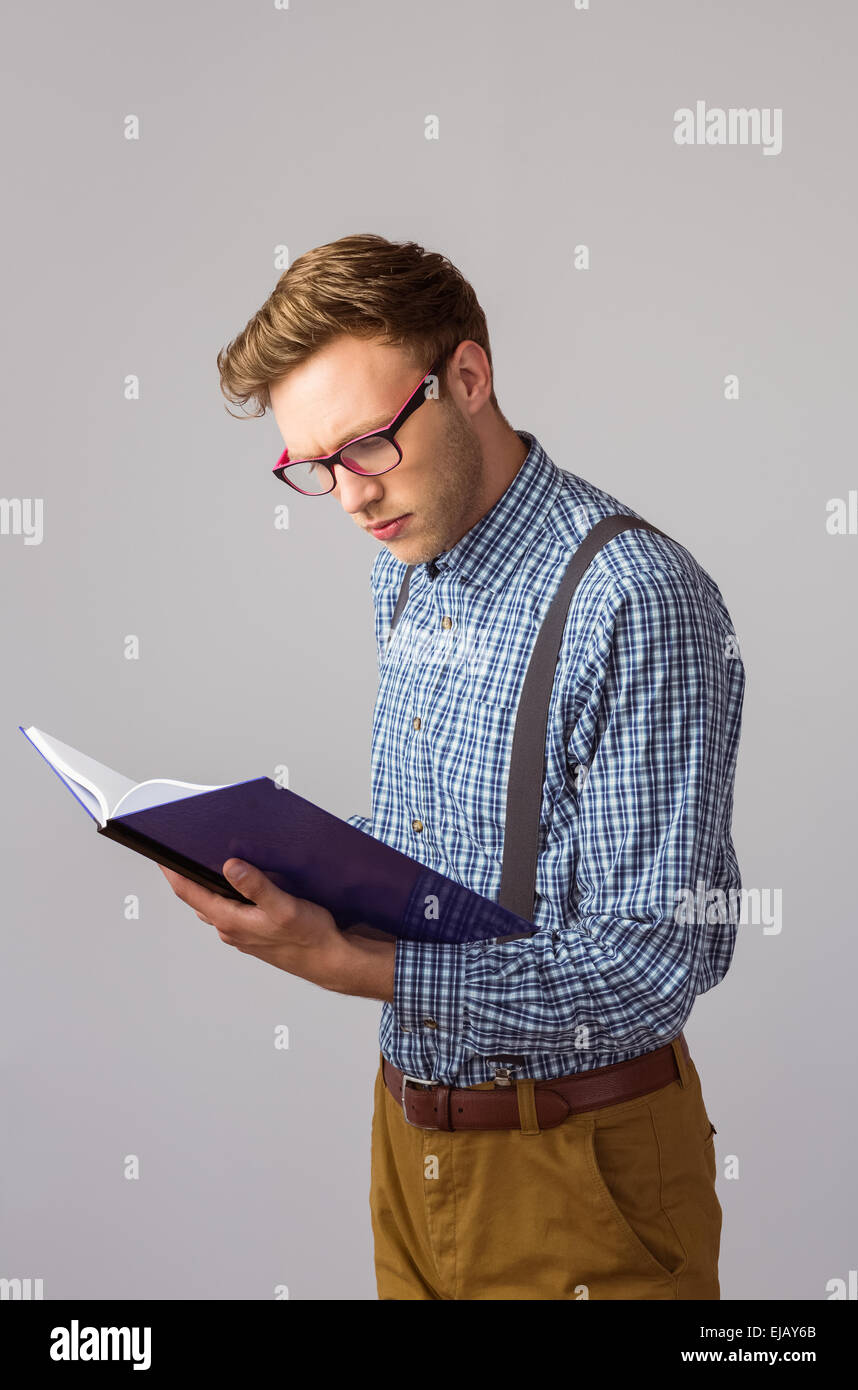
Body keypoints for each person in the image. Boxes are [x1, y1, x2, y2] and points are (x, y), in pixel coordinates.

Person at [165, 232, 745, 1300]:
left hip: (578, 1160)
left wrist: (353, 965)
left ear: (467, 379)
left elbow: (651, 964)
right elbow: (448, 862)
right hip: (409, 1135)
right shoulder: (408, 565)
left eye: (366, 445)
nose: (347, 496)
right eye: (313, 466)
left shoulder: (636, 599)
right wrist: (290, 872)